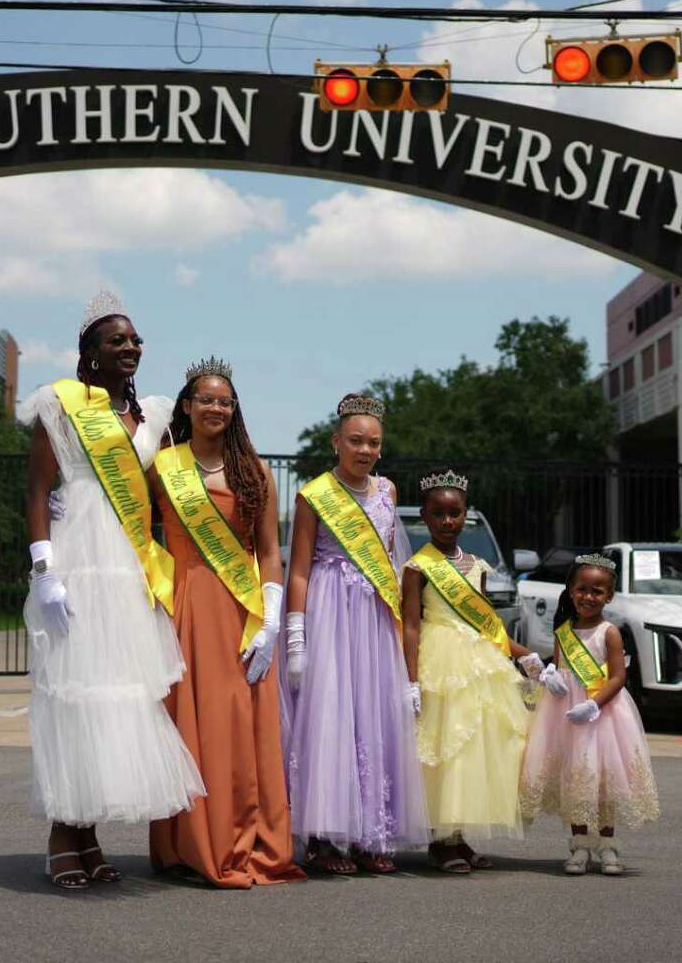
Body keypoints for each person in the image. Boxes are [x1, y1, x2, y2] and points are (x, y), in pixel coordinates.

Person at [19, 289, 203, 890]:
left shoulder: (150, 417)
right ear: (90, 352)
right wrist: (45, 570)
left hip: (126, 569)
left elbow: (165, 492)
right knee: (74, 696)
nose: (130, 347)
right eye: (116, 340)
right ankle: (61, 834)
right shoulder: (62, 407)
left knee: (116, 698)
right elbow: (37, 491)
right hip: (77, 562)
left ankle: (90, 833)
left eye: (135, 340)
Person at [145, 357, 303, 888]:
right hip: (184, 606)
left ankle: (238, 839)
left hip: (241, 610)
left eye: (225, 401)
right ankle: (185, 845)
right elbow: (134, 530)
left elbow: (269, 553)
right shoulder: (161, 466)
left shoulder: (253, 471)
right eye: (206, 399)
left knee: (236, 726)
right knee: (188, 724)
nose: (216, 407)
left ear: (234, 410)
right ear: (186, 406)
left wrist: (272, 623)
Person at [283, 392, 427, 875]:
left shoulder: (387, 492)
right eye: (355, 441)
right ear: (336, 442)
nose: (364, 450)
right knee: (332, 715)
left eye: (373, 443)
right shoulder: (314, 494)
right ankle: (324, 837)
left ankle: (370, 833)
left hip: (373, 612)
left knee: (372, 715)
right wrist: (297, 635)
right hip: (330, 607)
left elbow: (389, 559)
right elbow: (298, 569)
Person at [400, 470, 542, 873]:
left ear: (465, 515)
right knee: (446, 748)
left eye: (455, 513)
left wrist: (521, 654)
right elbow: (410, 624)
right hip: (440, 660)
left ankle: (460, 835)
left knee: (477, 745)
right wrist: (411, 678)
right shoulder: (417, 566)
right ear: (424, 518)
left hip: (479, 660)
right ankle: (440, 838)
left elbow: (487, 622)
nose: (448, 521)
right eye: (438, 514)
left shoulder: (478, 565)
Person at [519, 554, 659, 876]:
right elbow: (559, 667)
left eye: (597, 591)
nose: (588, 596)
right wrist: (551, 677)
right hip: (566, 716)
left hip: (603, 714)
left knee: (604, 780)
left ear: (608, 596)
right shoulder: (563, 632)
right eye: (582, 589)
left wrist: (595, 704)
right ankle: (579, 845)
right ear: (570, 590)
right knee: (576, 778)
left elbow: (618, 677)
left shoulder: (610, 631)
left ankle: (608, 846)